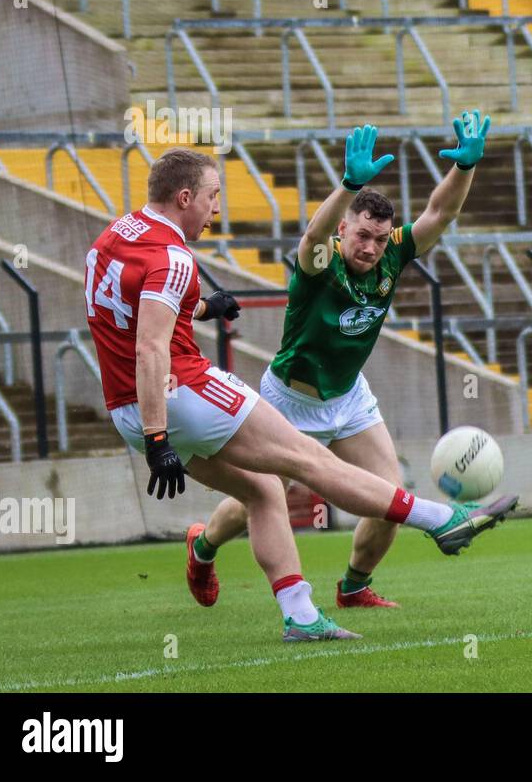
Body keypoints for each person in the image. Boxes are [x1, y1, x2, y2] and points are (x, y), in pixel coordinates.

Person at [84, 145, 503, 642]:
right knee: (308, 465)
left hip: (137, 407)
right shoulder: (193, 255)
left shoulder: (113, 236)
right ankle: (441, 518)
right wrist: (159, 438)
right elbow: (151, 345)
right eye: (213, 197)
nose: (217, 208)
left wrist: (202, 309)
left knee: (264, 491)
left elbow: (132, 309)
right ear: (184, 196)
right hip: (194, 393)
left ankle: (308, 610)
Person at [187, 114, 516, 611]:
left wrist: (466, 168)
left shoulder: (391, 256)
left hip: (350, 398)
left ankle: (355, 586)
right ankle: (203, 546)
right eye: (361, 234)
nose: (370, 246)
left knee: (390, 497)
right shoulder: (322, 264)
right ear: (345, 228)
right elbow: (313, 238)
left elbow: (439, 214)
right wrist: (348, 185)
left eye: (379, 238)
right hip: (290, 402)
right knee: (257, 499)